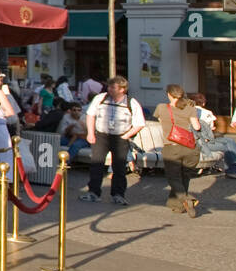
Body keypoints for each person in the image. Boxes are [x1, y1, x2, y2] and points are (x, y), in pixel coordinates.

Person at [80, 75, 145, 205]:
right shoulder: (100, 98)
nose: (109, 89)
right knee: (96, 164)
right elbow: (90, 115)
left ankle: (118, 195)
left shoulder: (131, 102)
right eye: (109, 86)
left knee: (119, 167)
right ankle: (93, 192)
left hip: (120, 137)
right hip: (102, 135)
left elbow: (140, 123)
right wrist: (91, 133)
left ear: (122, 89)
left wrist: (126, 135)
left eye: (113, 87)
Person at [154, 86, 202, 216]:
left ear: (169, 95)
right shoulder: (190, 107)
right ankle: (177, 205)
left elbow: (160, 120)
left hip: (172, 147)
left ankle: (186, 199)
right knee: (184, 176)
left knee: (174, 177)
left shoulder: (162, 108)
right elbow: (197, 127)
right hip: (190, 148)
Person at [189, 92, 236, 179]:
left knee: (229, 141)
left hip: (200, 140)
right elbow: (202, 130)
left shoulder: (186, 112)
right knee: (227, 145)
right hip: (201, 142)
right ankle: (235, 168)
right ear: (203, 103)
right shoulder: (205, 113)